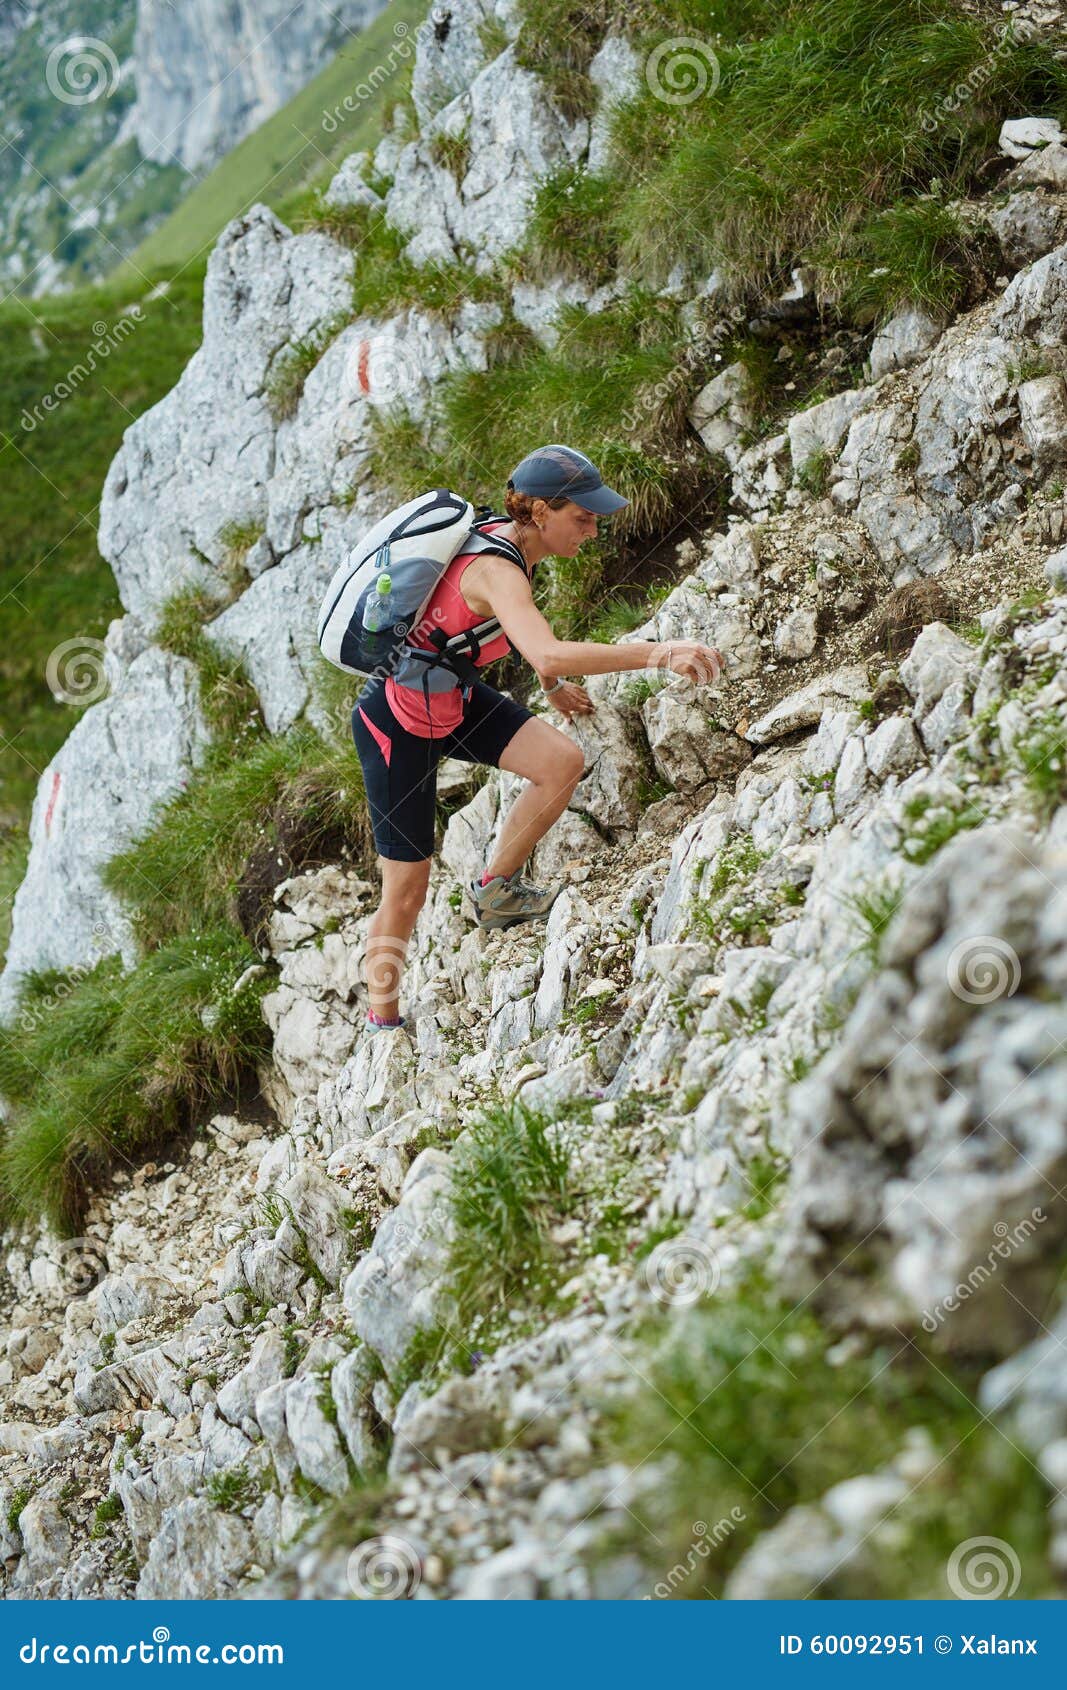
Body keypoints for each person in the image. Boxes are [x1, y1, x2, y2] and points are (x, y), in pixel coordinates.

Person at [351, 443, 724, 1031]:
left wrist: (548, 685)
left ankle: (495, 891)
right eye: (583, 517)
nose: (594, 531)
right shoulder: (497, 567)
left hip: (451, 699)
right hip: (394, 722)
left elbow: (510, 633)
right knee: (406, 892)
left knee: (560, 761)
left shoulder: (515, 544)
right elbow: (542, 641)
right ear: (541, 512)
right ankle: (384, 1022)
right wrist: (658, 653)